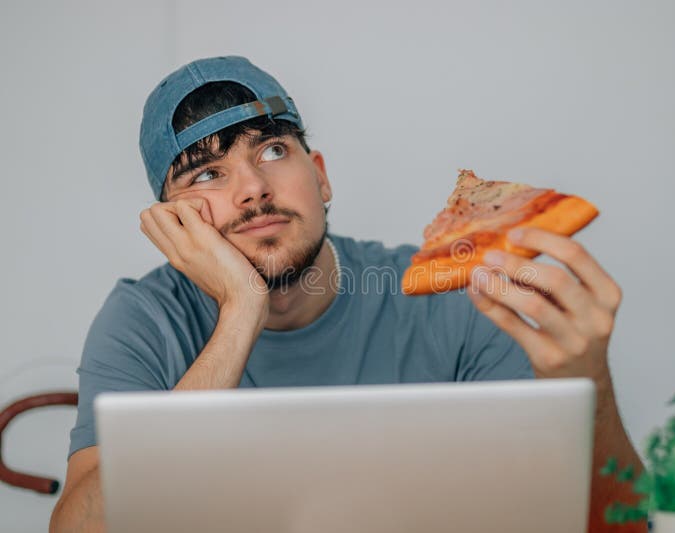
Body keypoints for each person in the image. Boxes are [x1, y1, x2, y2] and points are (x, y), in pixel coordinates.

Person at [50, 56, 644, 532]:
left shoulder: (451, 290)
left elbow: (616, 525)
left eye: (273, 150)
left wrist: (589, 377)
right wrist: (241, 311)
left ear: (322, 176)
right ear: (168, 223)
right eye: (207, 174)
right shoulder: (144, 318)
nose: (254, 188)